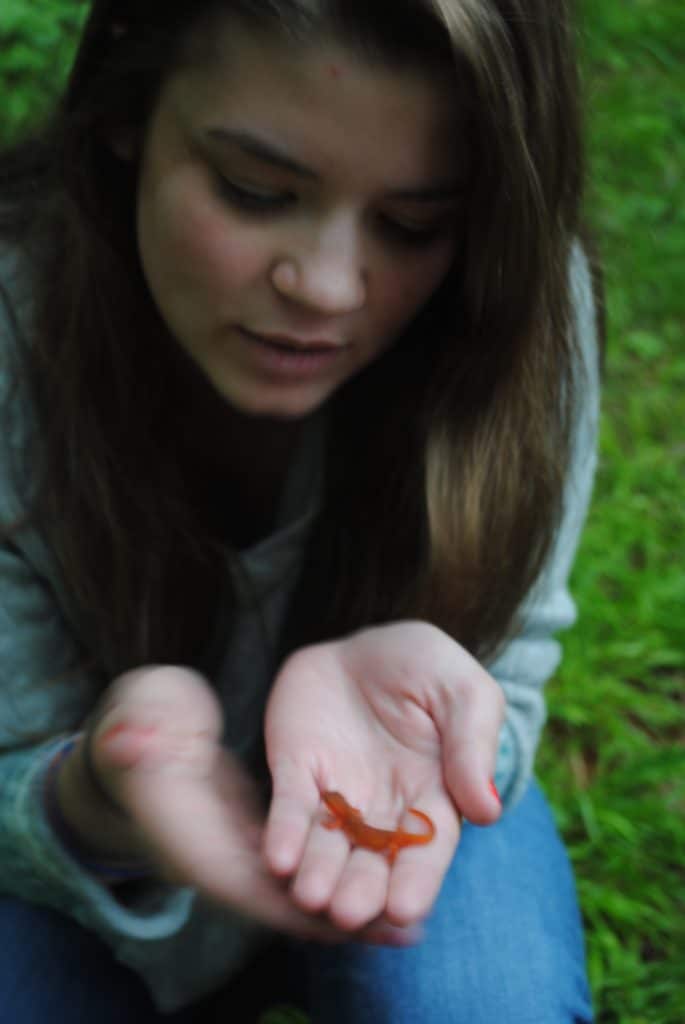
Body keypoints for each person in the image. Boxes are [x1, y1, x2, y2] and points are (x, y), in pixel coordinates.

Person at [0, 1, 601, 1021]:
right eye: (254, 191)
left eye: (413, 225)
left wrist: (456, 720)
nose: (323, 287)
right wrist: (96, 790)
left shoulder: (516, 314)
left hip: (383, 816)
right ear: (124, 114)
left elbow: (508, 670)